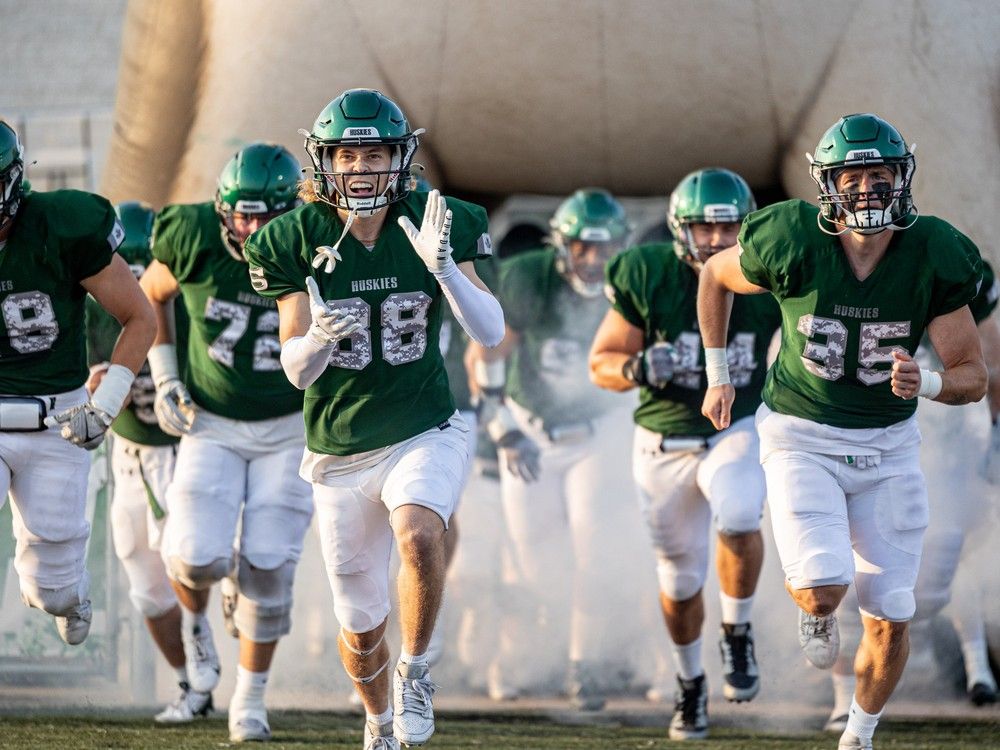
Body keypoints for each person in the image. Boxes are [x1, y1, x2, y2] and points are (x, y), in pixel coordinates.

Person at [697, 113, 988, 750]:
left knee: (894, 613)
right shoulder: (795, 237)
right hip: (801, 433)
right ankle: (817, 611)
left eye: (879, 174)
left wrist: (929, 383)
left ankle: (858, 736)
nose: (866, 189)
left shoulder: (932, 250)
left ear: (901, 179)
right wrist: (718, 374)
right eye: (852, 176)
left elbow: (973, 374)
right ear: (829, 184)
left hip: (887, 446)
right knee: (824, 587)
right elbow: (714, 276)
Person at [243, 88, 503, 750]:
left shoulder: (439, 217)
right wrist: (319, 338)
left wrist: (445, 271)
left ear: (401, 158)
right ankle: (378, 717)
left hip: (425, 426)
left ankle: (416, 672)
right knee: (360, 627)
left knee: (419, 533)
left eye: (376, 152)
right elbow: (296, 370)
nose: (361, 168)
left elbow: (491, 331)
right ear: (326, 162)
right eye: (348, 154)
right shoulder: (293, 237)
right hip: (338, 448)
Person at [589, 169, 778, 739]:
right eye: (704, 227)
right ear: (680, 229)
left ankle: (737, 632)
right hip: (663, 441)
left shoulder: (768, 277)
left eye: (727, 228)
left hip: (733, 427)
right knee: (678, 580)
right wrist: (637, 367)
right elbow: (601, 361)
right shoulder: (646, 273)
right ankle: (690, 683)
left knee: (742, 511)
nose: (717, 241)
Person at [140, 142, 313, 742]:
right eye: (242, 215)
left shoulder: (321, 244)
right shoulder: (192, 235)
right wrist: (165, 377)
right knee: (193, 556)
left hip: (291, 426)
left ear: (292, 212)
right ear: (222, 211)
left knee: (267, 567)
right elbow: (149, 293)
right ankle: (195, 632)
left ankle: (251, 700)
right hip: (211, 421)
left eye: (266, 216)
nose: (252, 228)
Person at [470, 188, 636, 710]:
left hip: (598, 427)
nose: (593, 260)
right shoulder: (528, 275)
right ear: (562, 244)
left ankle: (581, 664)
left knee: (592, 547)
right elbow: (487, 354)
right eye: (583, 247)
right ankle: (520, 656)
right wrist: (501, 429)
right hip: (530, 427)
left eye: (604, 248)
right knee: (533, 559)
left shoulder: (631, 278)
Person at [823, 260, 1000, 730]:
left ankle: (977, 668)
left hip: (936, 449)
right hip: (860, 444)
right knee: (844, 564)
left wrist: (995, 432)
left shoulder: (948, 278)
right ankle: (844, 697)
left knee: (943, 573)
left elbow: (990, 367)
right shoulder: (838, 275)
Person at [0, 120, 155, 647]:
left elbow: (141, 318)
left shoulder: (61, 225)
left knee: (51, 590)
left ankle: (71, 592)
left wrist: (105, 405)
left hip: (56, 421)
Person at [85, 201, 211, 722]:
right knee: (142, 580)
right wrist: (89, 382)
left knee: (186, 557)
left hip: (181, 450)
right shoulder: (91, 307)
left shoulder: (181, 307)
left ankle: (207, 632)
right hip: (129, 456)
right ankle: (190, 685)